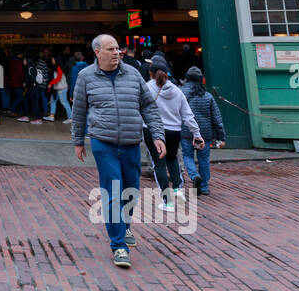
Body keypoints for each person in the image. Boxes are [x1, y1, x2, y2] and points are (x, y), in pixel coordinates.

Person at [71, 33, 165, 270]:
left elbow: (149, 108)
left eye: (118, 49)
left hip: (132, 141)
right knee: (112, 191)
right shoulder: (85, 77)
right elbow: (79, 110)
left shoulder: (133, 74)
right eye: (111, 49)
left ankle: (125, 224)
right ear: (97, 52)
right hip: (104, 143)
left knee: (131, 190)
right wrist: (78, 140)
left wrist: (157, 135)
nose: (117, 53)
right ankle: (118, 246)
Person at [143, 58, 203, 211]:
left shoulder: (146, 88)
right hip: (174, 131)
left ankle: (167, 201)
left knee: (159, 163)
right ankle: (177, 188)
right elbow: (187, 115)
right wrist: (196, 133)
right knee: (172, 159)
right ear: (167, 74)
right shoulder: (177, 90)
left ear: (150, 73)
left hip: (152, 130)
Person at [180, 67, 227, 196]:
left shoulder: (180, 93)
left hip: (186, 131)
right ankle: (204, 187)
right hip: (205, 133)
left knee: (187, 156)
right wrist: (221, 136)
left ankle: (194, 176)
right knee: (204, 159)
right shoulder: (207, 96)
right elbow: (217, 118)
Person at [44, 55, 71, 123]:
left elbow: (58, 78)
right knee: (53, 101)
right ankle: (51, 116)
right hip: (57, 88)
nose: (52, 61)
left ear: (56, 60)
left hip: (61, 89)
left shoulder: (59, 68)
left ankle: (70, 118)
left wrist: (51, 83)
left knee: (64, 102)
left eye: (53, 59)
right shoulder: (57, 68)